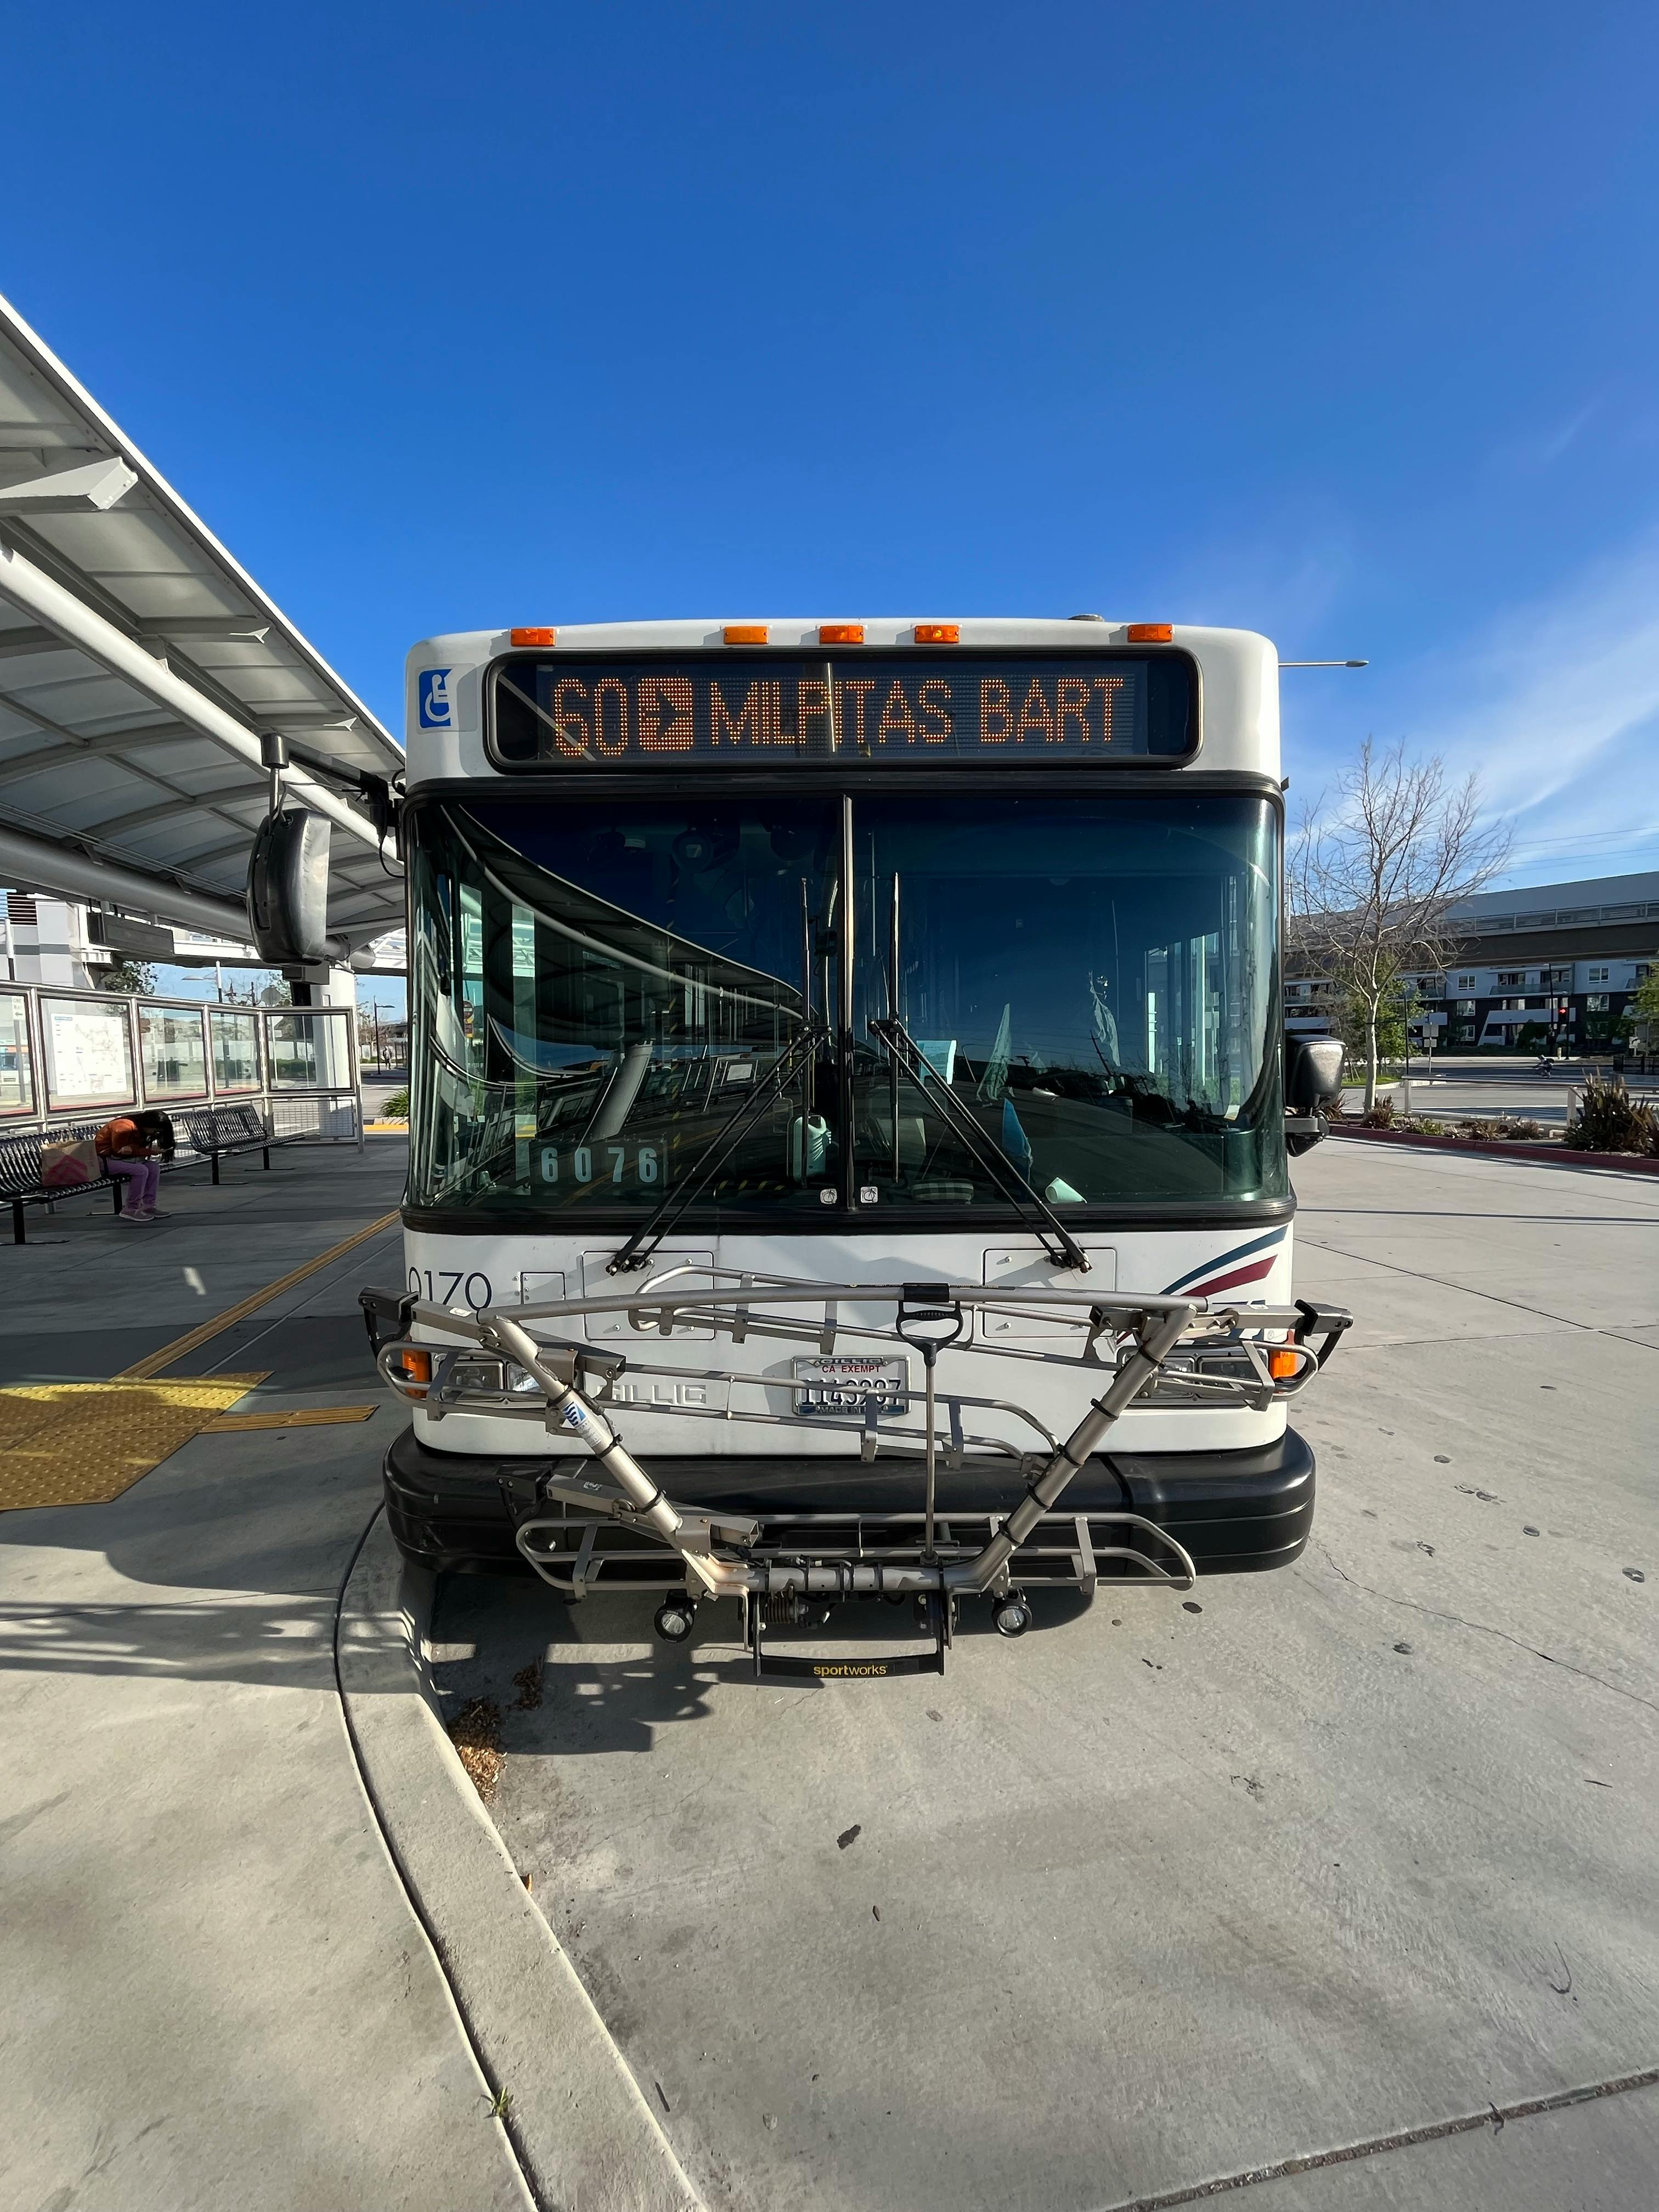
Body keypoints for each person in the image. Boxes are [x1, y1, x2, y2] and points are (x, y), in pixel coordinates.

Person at [94, 1110, 171, 1222]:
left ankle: (149, 1205)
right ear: (148, 1125)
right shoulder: (123, 1127)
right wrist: (148, 1151)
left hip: (120, 1160)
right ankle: (131, 1208)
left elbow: (130, 1150)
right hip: (104, 1161)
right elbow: (119, 1151)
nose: (155, 1134)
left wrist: (146, 1151)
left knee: (153, 1168)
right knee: (141, 1170)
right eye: (155, 1131)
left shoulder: (139, 1129)